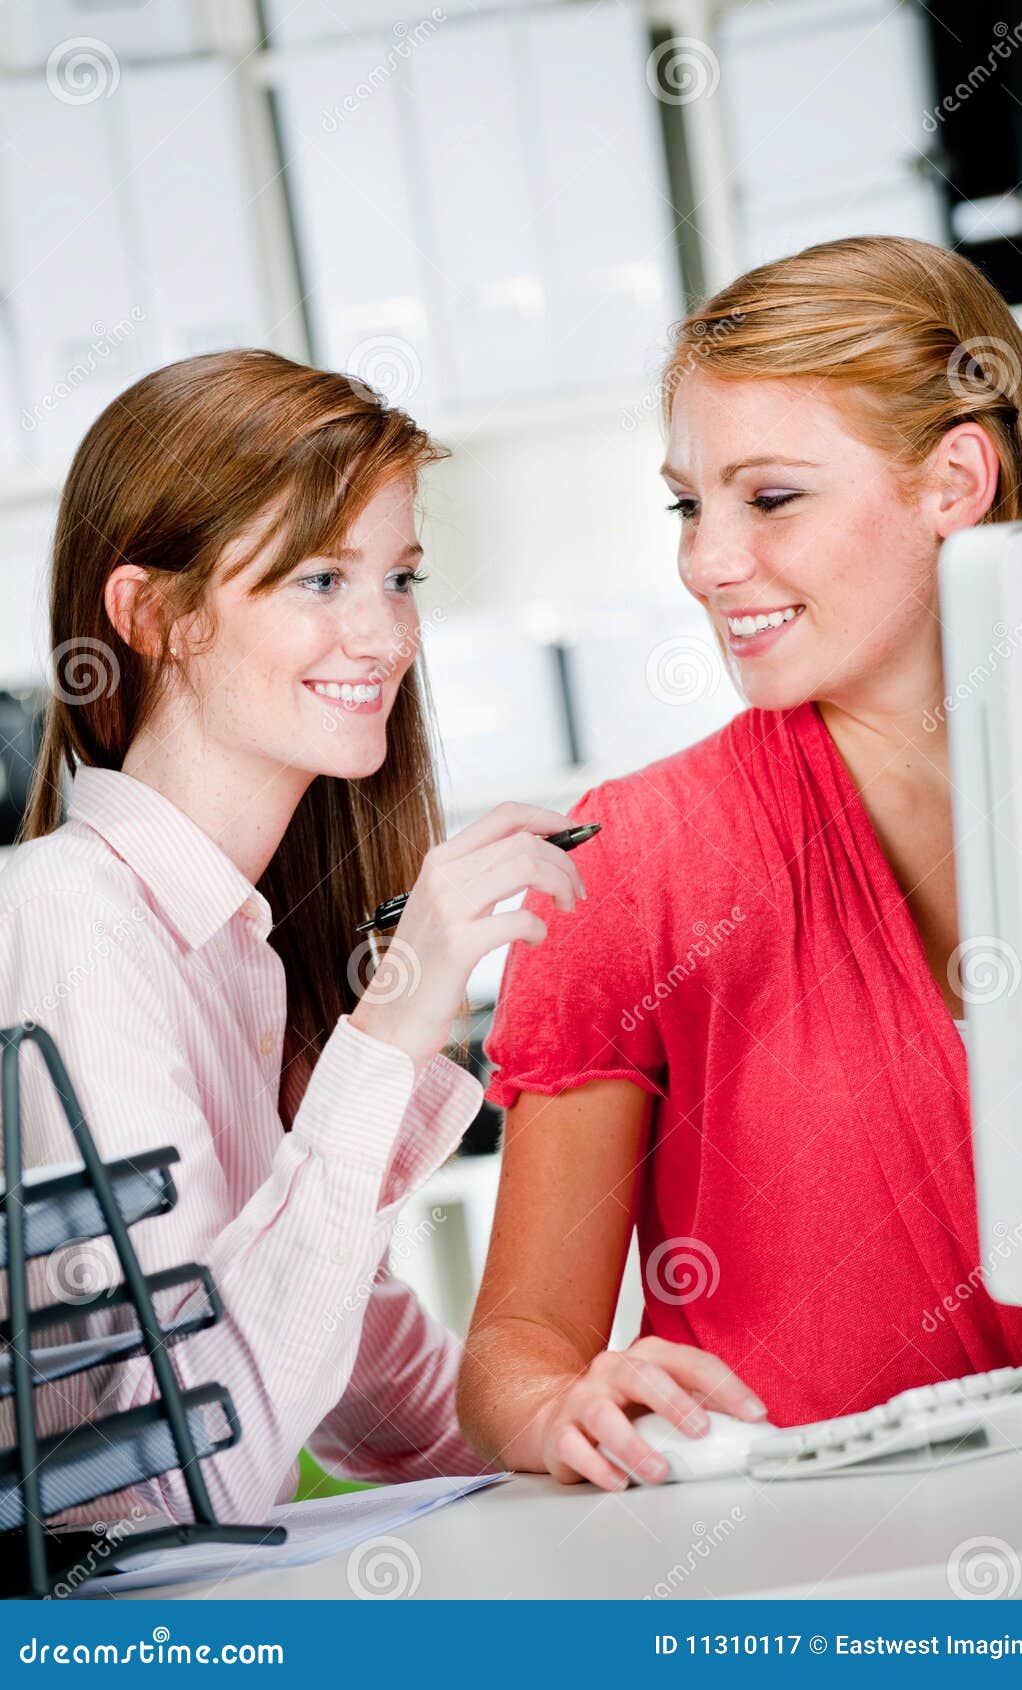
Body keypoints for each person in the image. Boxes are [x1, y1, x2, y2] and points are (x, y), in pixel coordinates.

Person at [457, 234, 1022, 1491]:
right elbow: (515, 1352)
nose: (704, 561)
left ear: (953, 478)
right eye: (689, 504)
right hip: (819, 1584)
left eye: (768, 498)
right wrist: (557, 1407)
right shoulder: (633, 860)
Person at [0, 349, 585, 1525]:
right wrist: (393, 1025)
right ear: (153, 614)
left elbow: (363, 1370)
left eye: (400, 578)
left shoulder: (238, 947)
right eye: (319, 579)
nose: (382, 636)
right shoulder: (68, 914)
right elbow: (185, 1472)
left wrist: (550, 1424)